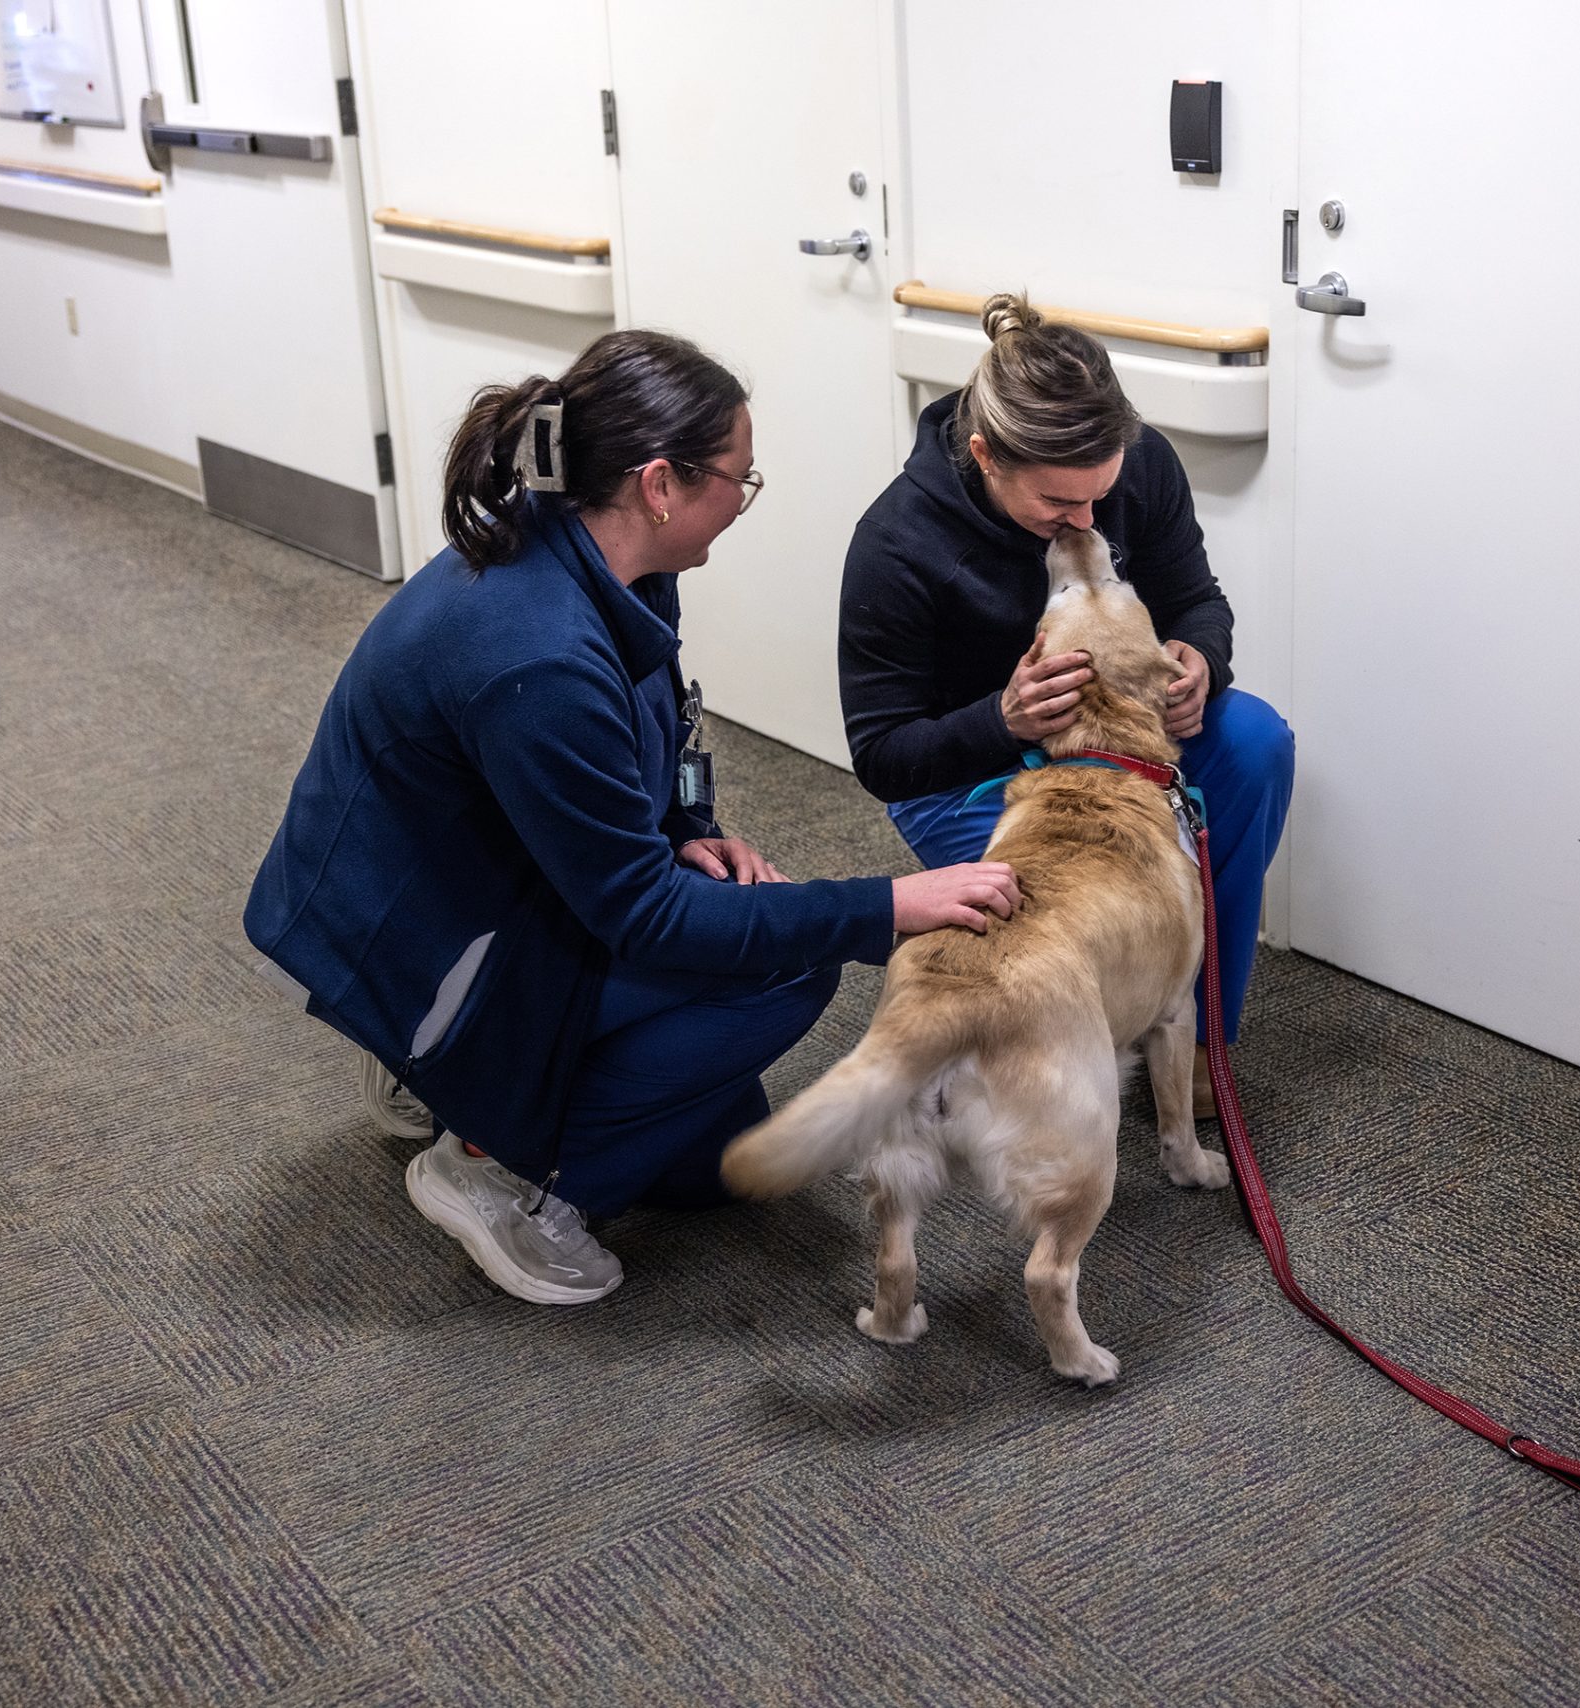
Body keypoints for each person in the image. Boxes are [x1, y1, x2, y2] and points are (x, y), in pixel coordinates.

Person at [246, 331, 1021, 1306]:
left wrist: (684, 823)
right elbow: (642, 917)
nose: (744, 498)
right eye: (740, 478)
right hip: (420, 945)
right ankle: (496, 1169)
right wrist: (886, 906)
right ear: (660, 484)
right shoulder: (538, 652)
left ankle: (461, 1083)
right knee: (786, 968)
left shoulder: (600, 549)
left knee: (711, 1162)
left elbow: (663, 718)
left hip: (476, 882)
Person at [839, 295, 1294, 1108]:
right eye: (1057, 506)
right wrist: (1001, 719)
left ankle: (1196, 1039)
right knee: (1092, 890)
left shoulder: (1137, 462)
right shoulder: (896, 544)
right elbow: (883, 757)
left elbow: (1197, 600)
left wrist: (1200, 664)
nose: (1086, 520)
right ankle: (1092, 1045)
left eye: (1101, 496)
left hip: (1125, 742)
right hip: (971, 769)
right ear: (984, 454)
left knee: (1256, 741)